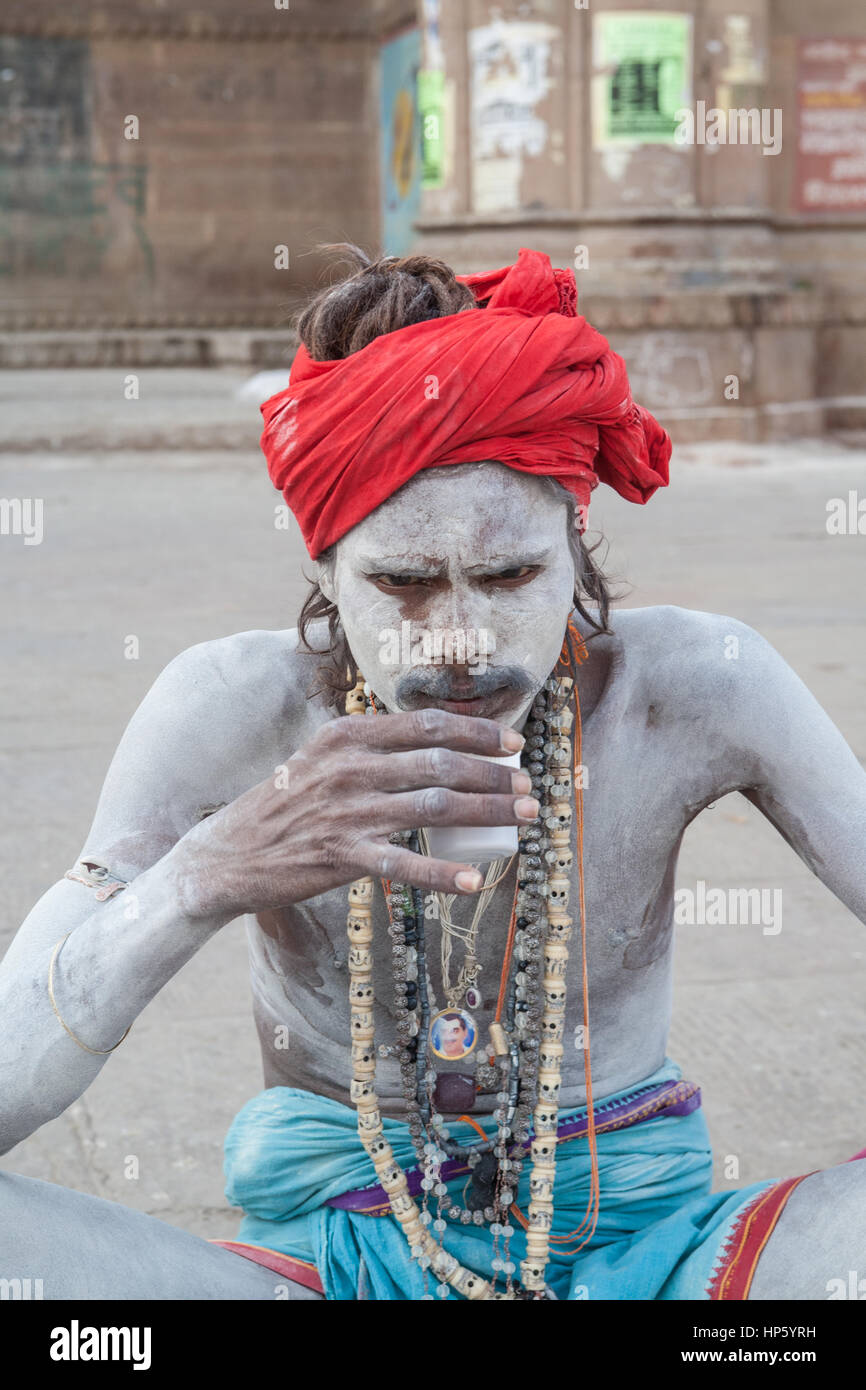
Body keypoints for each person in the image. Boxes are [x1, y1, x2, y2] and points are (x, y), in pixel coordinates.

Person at [1, 246, 865, 1302]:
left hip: (665, 1259)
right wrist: (202, 875)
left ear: (574, 534)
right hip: (323, 1266)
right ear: (322, 562)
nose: (460, 640)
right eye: (403, 583)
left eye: (509, 574)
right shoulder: (229, 706)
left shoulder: (690, 682)